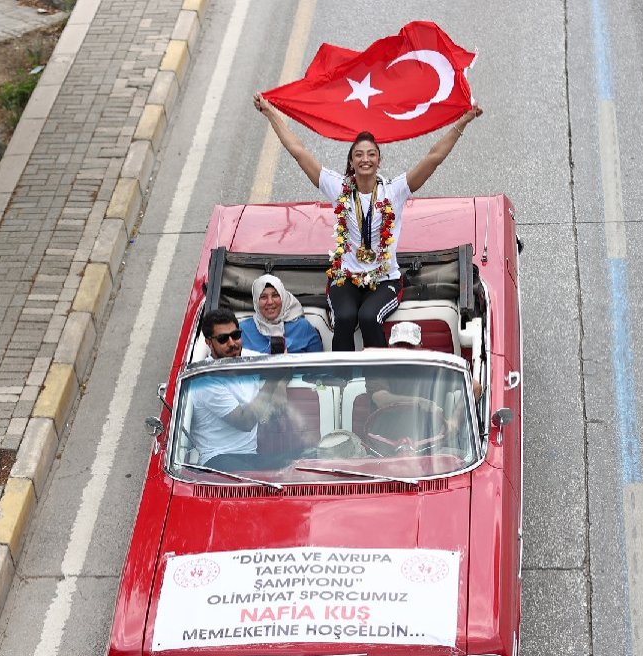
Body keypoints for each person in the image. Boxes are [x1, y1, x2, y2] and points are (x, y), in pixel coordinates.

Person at [254, 93, 483, 351]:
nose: (365, 159)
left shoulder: (394, 191)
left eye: (371, 154)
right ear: (351, 162)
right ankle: (341, 382)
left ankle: (379, 385)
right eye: (359, 155)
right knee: (344, 318)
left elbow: (433, 157)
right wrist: (270, 112)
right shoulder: (338, 188)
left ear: (378, 160)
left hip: (385, 280)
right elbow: (298, 151)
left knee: (368, 317)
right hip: (346, 279)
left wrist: (463, 121)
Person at [188, 308, 287, 471]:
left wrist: (281, 386)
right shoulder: (207, 380)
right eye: (223, 339)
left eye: (235, 335)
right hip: (217, 459)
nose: (232, 343)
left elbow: (283, 365)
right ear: (208, 342)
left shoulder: (246, 358)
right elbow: (245, 422)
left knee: (297, 464)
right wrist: (272, 382)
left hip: (250, 456)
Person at [239, 274, 323, 354]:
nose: (270, 302)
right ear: (256, 301)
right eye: (263, 297)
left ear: (283, 297)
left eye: (275, 295)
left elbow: (319, 365)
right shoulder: (243, 330)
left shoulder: (303, 327)